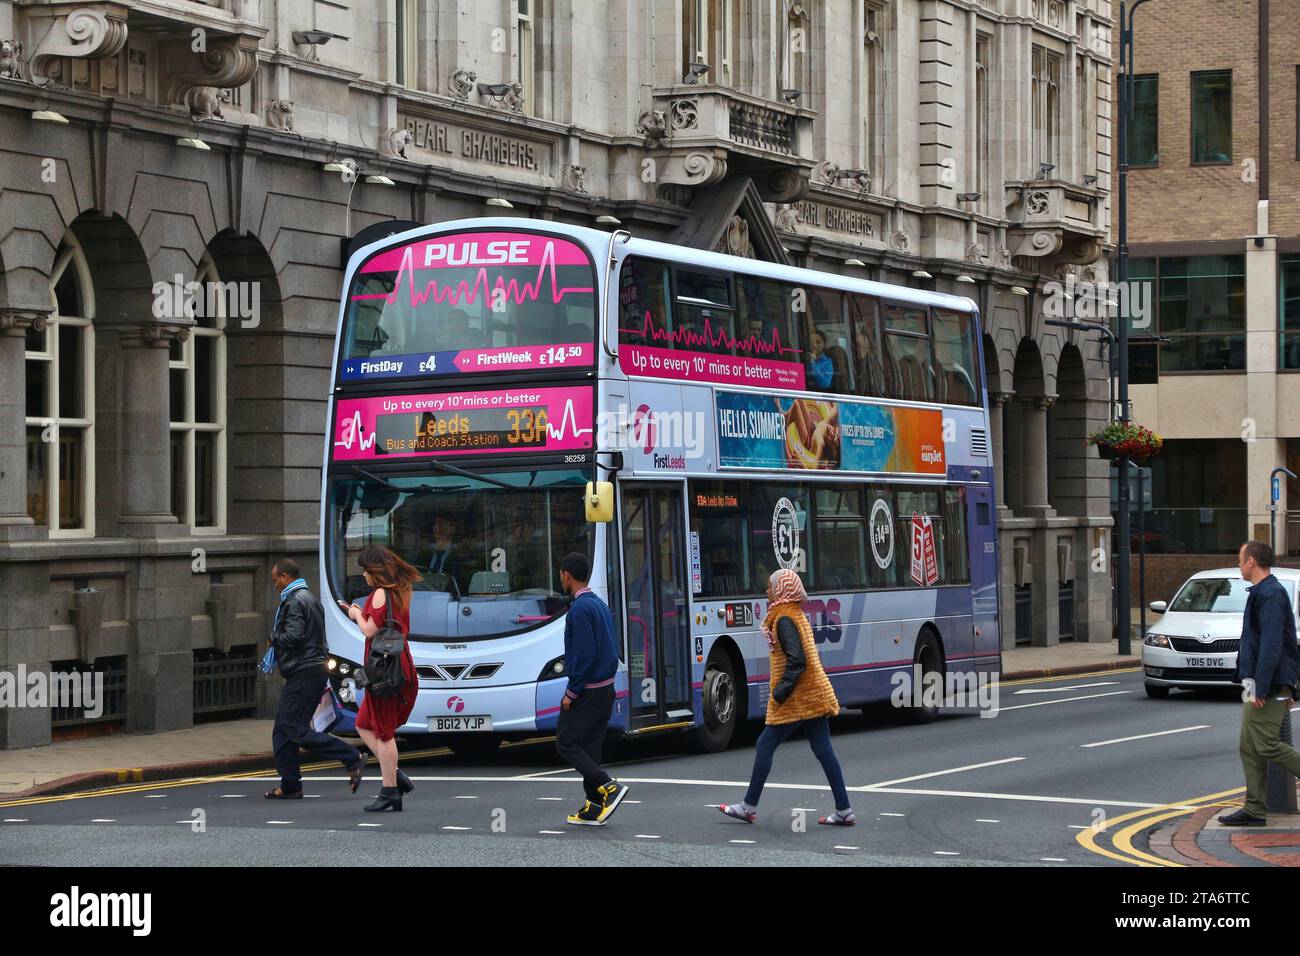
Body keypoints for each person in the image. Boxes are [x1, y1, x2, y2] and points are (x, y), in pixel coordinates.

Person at [718, 568, 854, 826]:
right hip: (813, 693)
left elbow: (797, 660)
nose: (767, 591)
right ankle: (844, 810)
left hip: (798, 696)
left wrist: (780, 692)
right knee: (823, 749)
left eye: (771, 586)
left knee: (765, 744)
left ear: (782, 590)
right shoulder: (793, 614)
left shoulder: (783, 620)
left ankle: (748, 805)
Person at [266, 559, 366, 799]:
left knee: (293, 728)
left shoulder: (294, 601)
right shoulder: (308, 598)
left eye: (276, 579)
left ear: (285, 577)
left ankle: (351, 756)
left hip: (305, 671)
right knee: (282, 729)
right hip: (311, 670)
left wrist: (274, 638)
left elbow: (294, 635)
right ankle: (290, 785)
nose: (275, 585)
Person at [1219, 540, 1300, 826]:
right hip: (1259, 682)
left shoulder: (1272, 594)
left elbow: (1273, 645)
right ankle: (1254, 809)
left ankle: (1255, 808)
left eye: (1241, 560)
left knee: (1265, 745)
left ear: (1251, 562)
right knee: (1249, 746)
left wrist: (1264, 686)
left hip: (1269, 684)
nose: (1239, 565)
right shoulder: (1262, 592)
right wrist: (1252, 681)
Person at [343, 546, 422, 812]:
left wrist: (355, 614)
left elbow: (369, 630)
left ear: (375, 570)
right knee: (364, 723)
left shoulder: (379, 593)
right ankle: (395, 774)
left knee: (384, 732)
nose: (363, 573)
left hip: (385, 670)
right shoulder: (402, 588)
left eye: (365, 569)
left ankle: (390, 791)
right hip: (401, 664)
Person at [556, 551, 629, 825]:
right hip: (606, 688)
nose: (560, 578)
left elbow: (584, 655)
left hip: (589, 690)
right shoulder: (597, 603)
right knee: (590, 747)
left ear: (567, 575)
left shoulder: (580, 609)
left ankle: (608, 786)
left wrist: (571, 692)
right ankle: (595, 805)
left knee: (566, 741)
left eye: (561, 574)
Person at [421, 515, 463, 586]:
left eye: (440, 525)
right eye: (434, 525)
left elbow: (455, 581)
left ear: (451, 530)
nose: (436, 529)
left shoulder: (457, 555)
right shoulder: (424, 555)